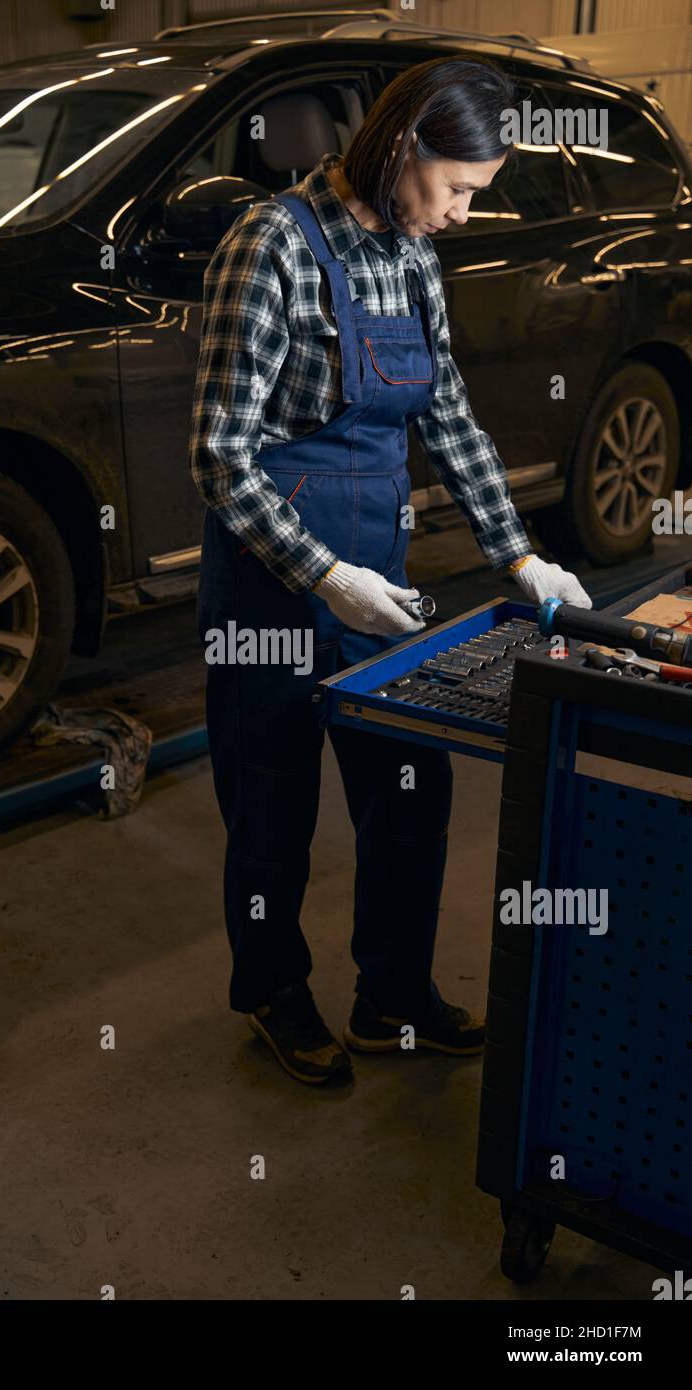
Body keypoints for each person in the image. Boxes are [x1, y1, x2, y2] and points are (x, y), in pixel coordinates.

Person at [189, 56, 592, 1087]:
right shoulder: (269, 244)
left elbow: (445, 415)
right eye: (458, 188)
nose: (460, 214)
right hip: (270, 583)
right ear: (406, 147)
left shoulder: (411, 256)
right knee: (272, 806)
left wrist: (518, 550)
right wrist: (321, 576)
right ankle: (273, 992)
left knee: (410, 790)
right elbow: (220, 456)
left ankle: (392, 993)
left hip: (380, 572)